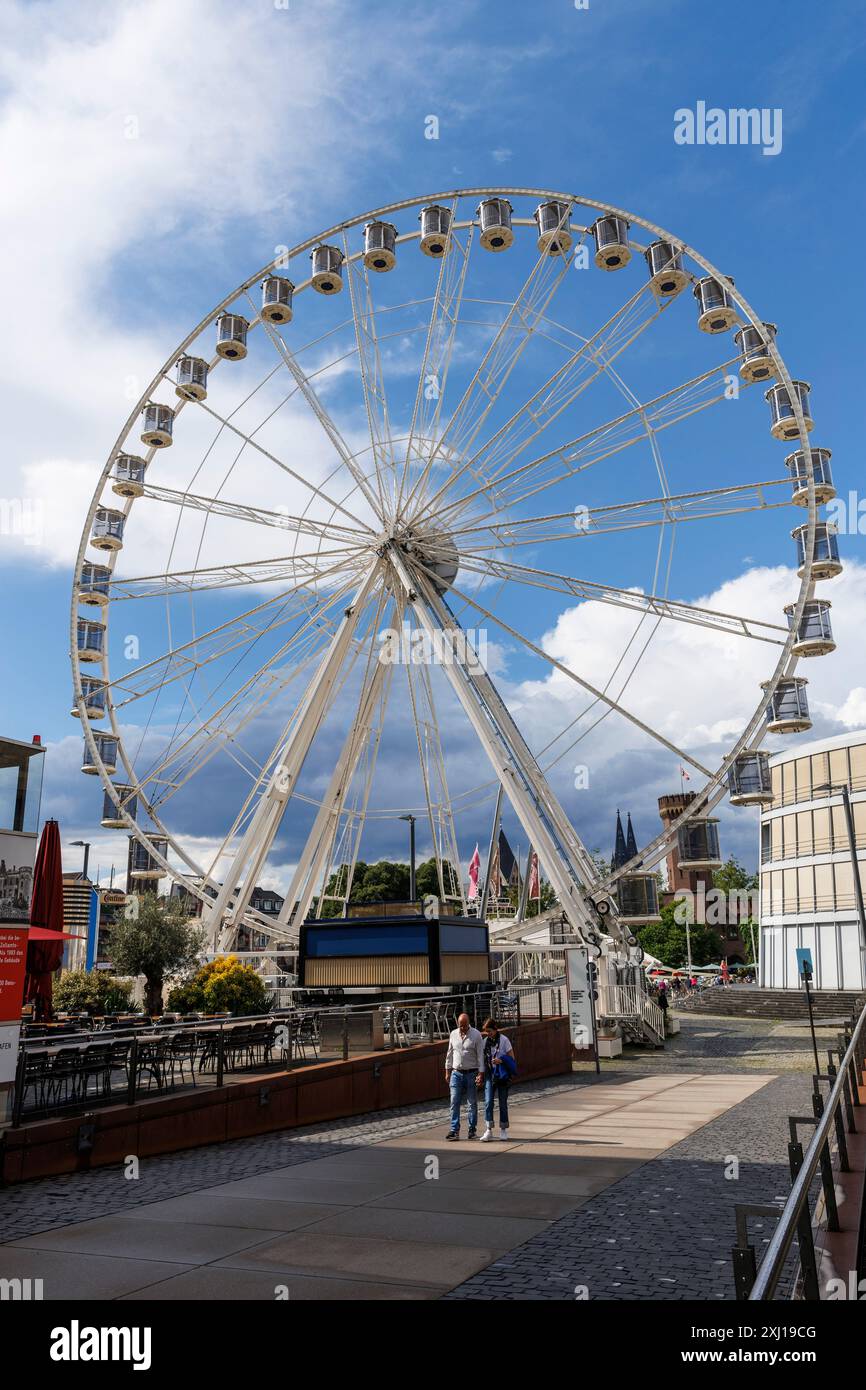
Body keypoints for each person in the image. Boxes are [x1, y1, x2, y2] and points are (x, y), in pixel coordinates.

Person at [445, 1012, 485, 1140]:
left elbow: (480, 1056)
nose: (462, 1028)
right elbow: (449, 1054)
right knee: (454, 1101)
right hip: (456, 1073)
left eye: (465, 1025)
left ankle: (472, 1129)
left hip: (471, 1073)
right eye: (460, 1026)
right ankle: (454, 1129)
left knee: (472, 1102)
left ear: (468, 1023)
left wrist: (481, 1073)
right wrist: (447, 1070)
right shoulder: (453, 1034)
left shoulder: (476, 1035)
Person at [479, 1017, 516, 1142]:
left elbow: (512, 1058)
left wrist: (501, 1060)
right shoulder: (485, 1042)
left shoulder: (504, 1040)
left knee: (502, 1102)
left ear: (495, 1029)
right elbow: (482, 1061)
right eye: (486, 1032)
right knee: (488, 1101)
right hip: (490, 1074)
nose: (488, 1034)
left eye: (490, 1031)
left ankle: (503, 1129)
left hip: (502, 1075)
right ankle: (488, 1129)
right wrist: (481, 1074)